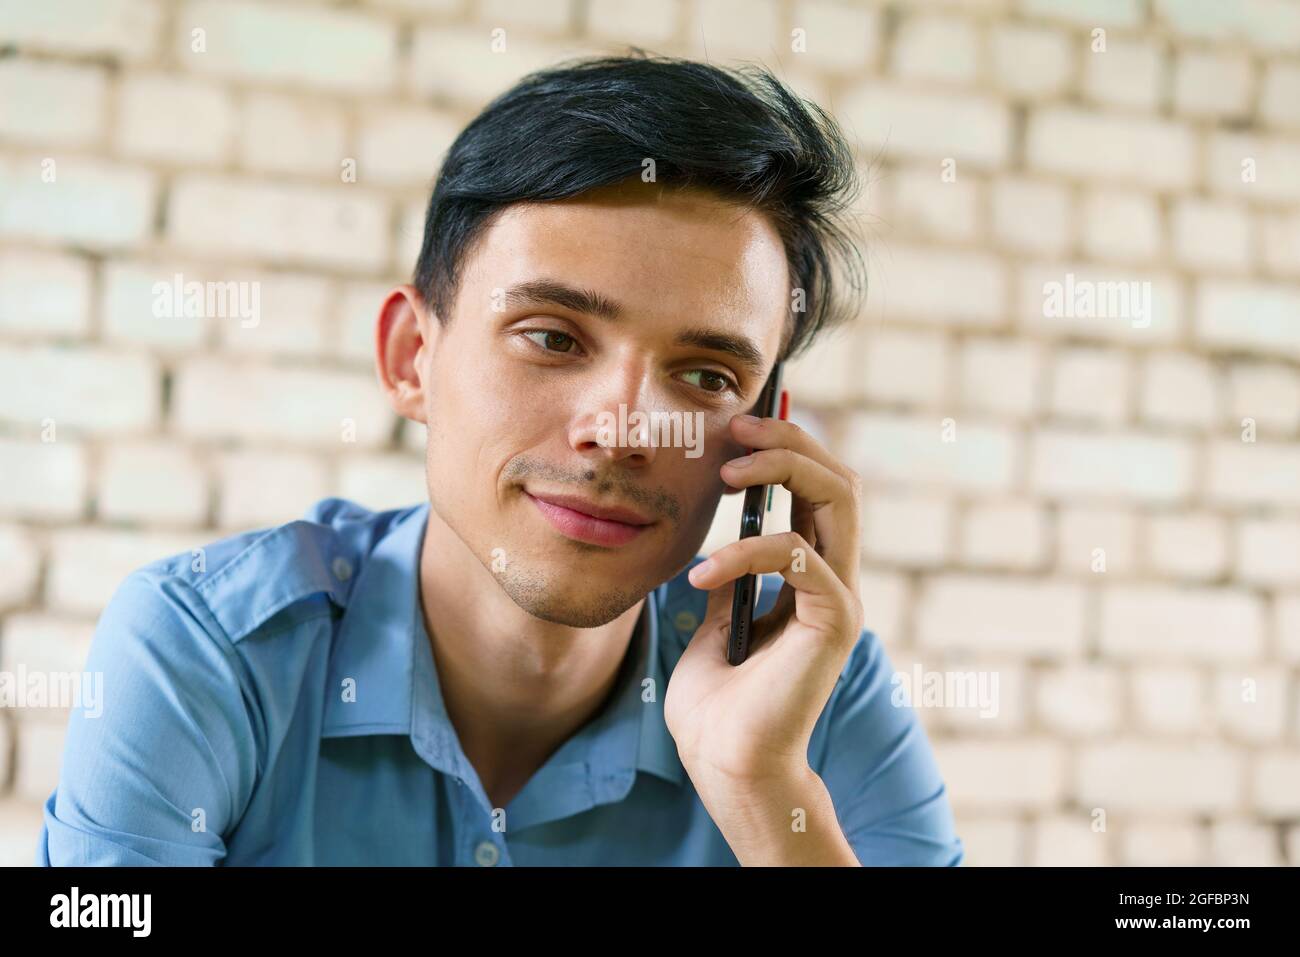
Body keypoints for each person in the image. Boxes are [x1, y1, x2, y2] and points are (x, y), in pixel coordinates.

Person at [38, 53, 963, 866]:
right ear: (413, 357)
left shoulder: (811, 695)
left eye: (705, 373)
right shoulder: (210, 651)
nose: (625, 430)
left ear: (765, 431)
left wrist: (766, 793)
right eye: (553, 338)